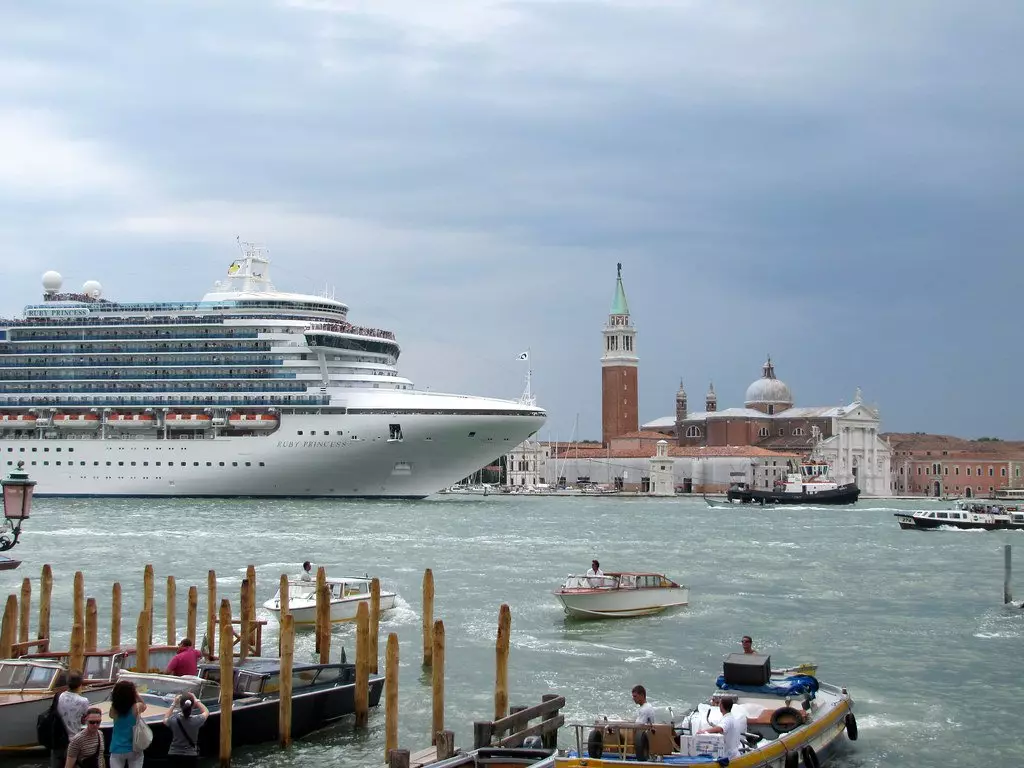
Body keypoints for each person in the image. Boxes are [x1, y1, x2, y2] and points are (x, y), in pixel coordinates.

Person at [53, 671, 90, 768]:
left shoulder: (59, 696)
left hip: (58, 737)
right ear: (80, 684)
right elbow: (85, 719)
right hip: (74, 738)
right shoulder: (83, 701)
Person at [108, 679, 147, 768]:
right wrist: (136, 694)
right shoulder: (136, 708)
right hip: (134, 747)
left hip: (116, 747)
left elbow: (111, 716)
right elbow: (144, 705)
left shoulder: (114, 709)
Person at [163, 692, 209, 768]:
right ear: (193, 705)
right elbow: (206, 711)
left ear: (180, 705)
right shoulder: (197, 720)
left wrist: (174, 703)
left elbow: (165, 719)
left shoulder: (173, 720)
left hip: (173, 754)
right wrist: (196, 700)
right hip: (190, 756)